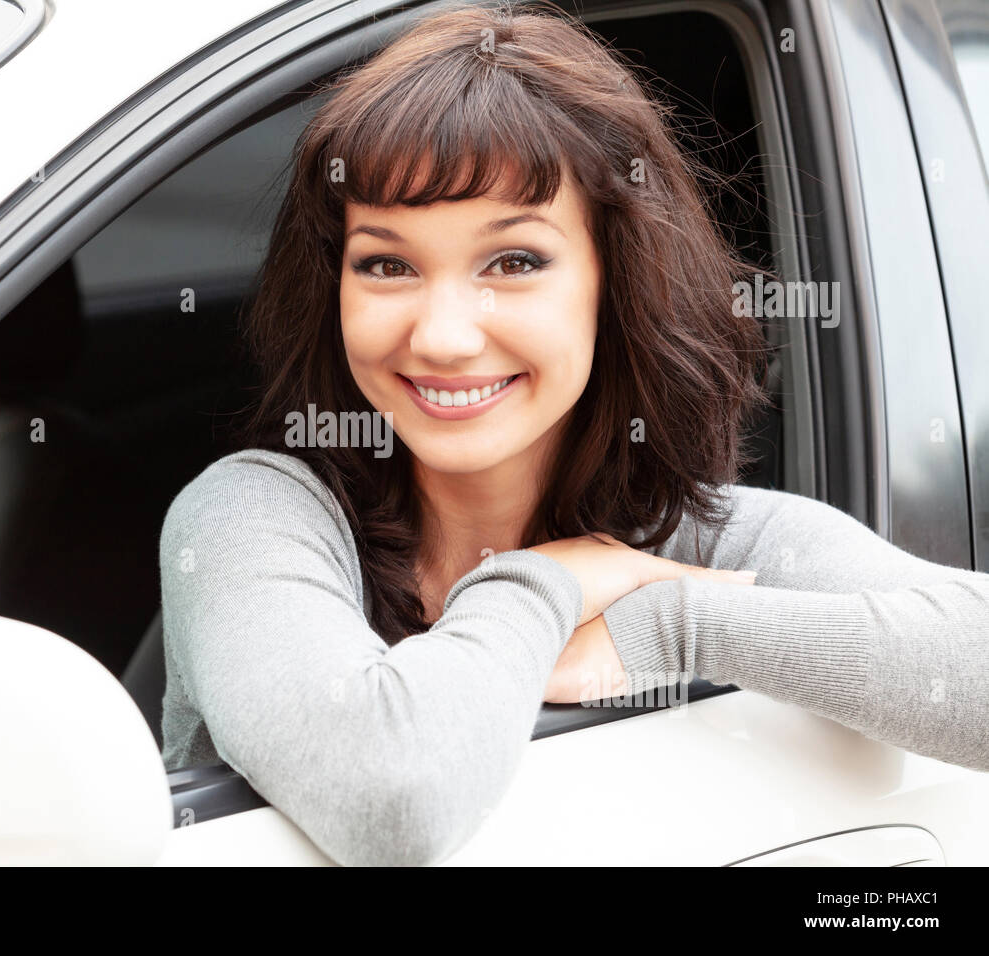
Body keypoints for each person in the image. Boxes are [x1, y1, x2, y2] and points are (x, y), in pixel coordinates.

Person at [155, 2, 989, 865]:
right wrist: (545, 583)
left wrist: (680, 624)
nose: (443, 335)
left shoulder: (689, 541)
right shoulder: (247, 517)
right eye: (387, 263)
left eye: (513, 262)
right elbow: (390, 799)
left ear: (613, 280)